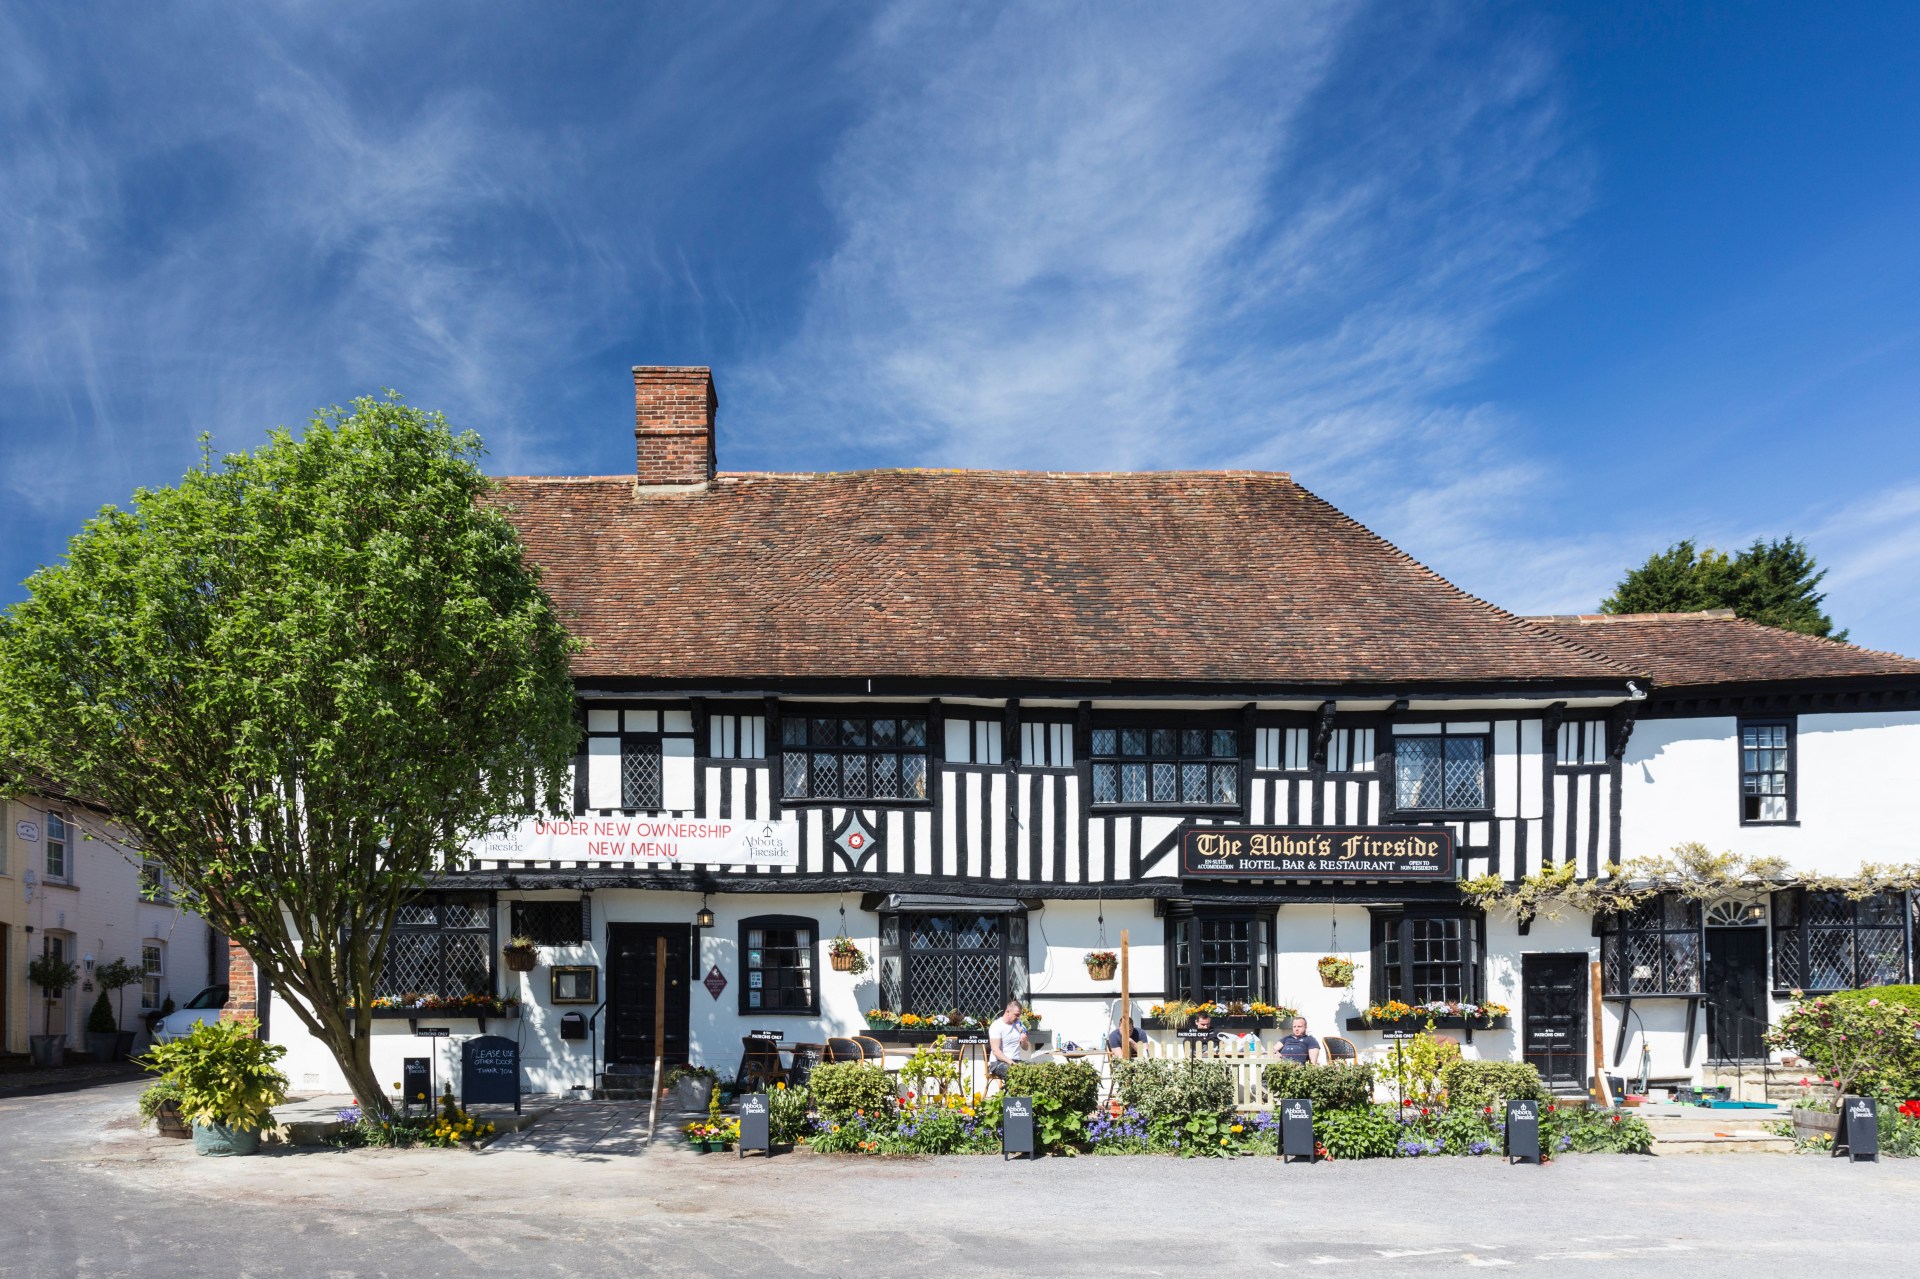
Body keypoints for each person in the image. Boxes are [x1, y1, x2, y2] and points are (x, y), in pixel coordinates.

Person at [988, 999, 1028, 1083]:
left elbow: (1026, 1048)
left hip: (1015, 1061)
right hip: (998, 1062)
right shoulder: (997, 1025)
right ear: (1008, 1011)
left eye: (1019, 1015)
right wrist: (1012, 1063)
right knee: (1016, 1072)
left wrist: (1024, 1041)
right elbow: (996, 1051)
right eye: (1016, 1015)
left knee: (1034, 1069)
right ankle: (1010, 1094)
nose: (1018, 1018)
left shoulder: (1019, 1025)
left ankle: (1025, 1095)